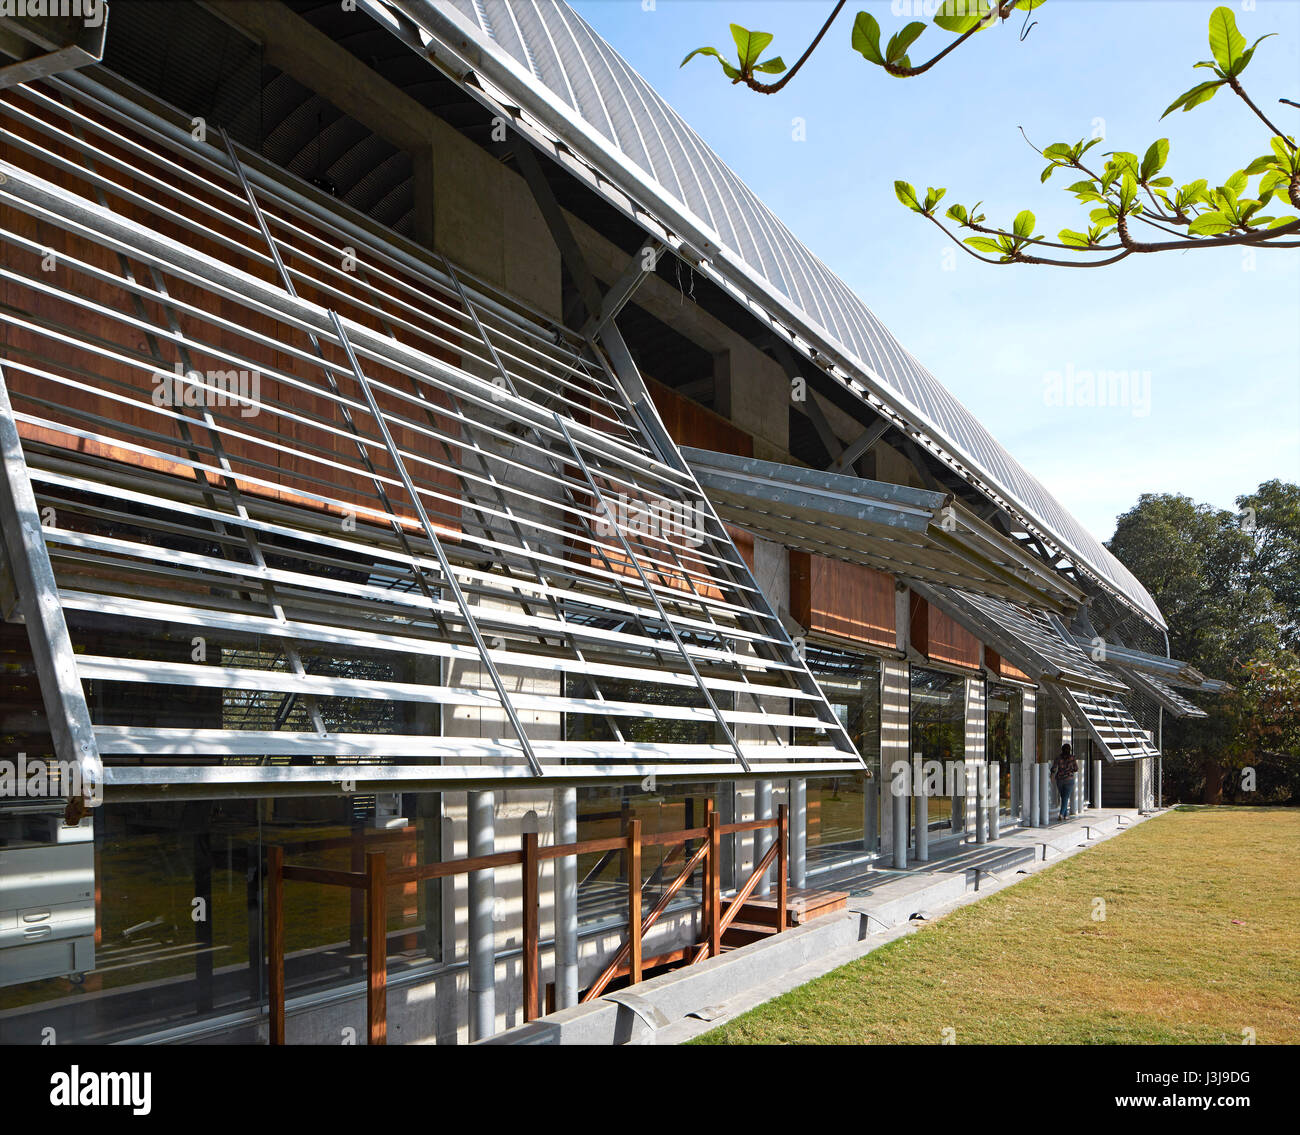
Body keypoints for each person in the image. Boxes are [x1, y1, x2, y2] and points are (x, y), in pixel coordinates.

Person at [1050, 742, 1078, 821]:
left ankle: (1065, 815)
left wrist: (1052, 776)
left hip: (1059, 779)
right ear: (1069, 750)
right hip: (1069, 779)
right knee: (1065, 798)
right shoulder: (1072, 758)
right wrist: (1070, 769)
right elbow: (1076, 769)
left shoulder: (1058, 758)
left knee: (1064, 797)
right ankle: (1062, 814)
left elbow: (1054, 768)